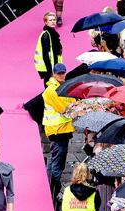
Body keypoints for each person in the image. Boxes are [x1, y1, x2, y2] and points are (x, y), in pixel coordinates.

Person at [42, 64, 75, 202]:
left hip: (61, 130)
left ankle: (50, 188)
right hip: (58, 130)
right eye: (59, 73)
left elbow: (71, 102)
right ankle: (53, 191)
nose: (61, 75)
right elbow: (65, 108)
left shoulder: (61, 88)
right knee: (58, 163)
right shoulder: (52, 90)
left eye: (63, 73)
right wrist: (73, 106)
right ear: (53, 74)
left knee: (55, 161)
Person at [34, 12, 62, 87]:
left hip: (53, 66)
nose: (53, 22)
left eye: (54, 20)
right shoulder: (46, 35)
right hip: (47, 68)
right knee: (50, 87)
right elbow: (45, 54)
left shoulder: (53, 33)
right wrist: (51, 72)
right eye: (50, 20)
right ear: (46, 22)